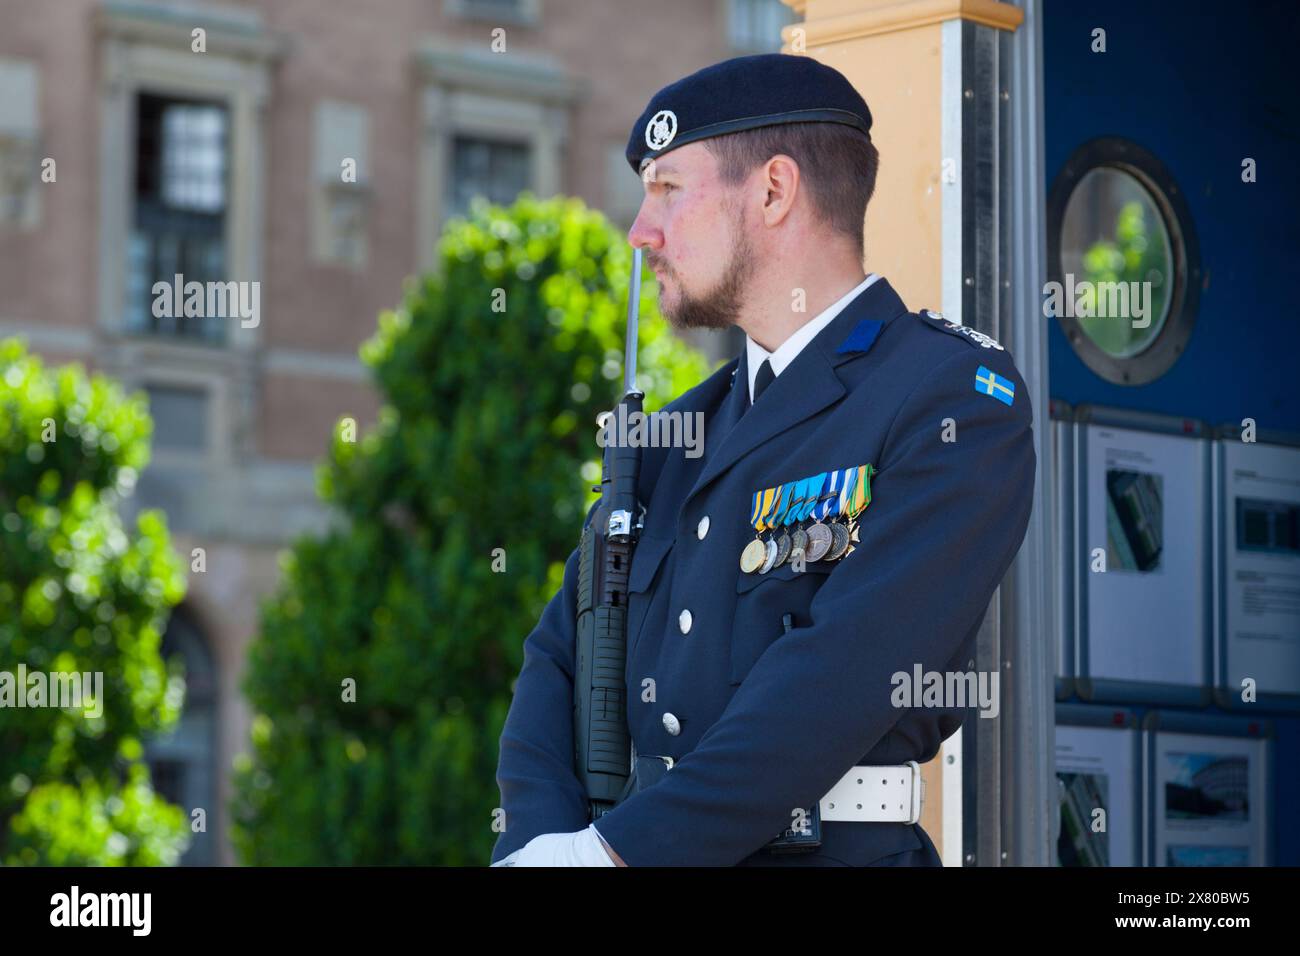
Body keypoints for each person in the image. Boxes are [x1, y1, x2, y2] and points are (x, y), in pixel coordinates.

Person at [490, 53, 1036, 867]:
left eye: (668, 189)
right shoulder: (676, 435)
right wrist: (540, 848)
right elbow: (559, 657)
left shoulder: (952, 400)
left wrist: (615, 855)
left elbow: (839, 675)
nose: (641, 231)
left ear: (775, 191)